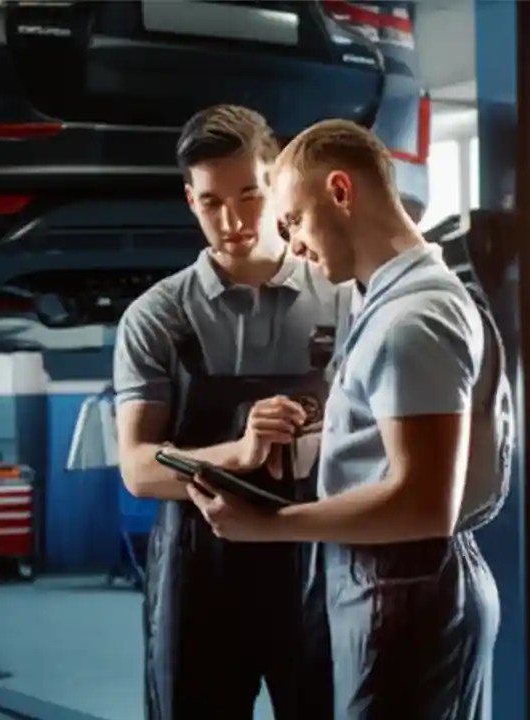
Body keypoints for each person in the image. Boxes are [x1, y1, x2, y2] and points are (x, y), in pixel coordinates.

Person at [187, 119, 514, 720]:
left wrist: (269, 526)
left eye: (293, 221)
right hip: (389, 583)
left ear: (340, 191)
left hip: (405, 589)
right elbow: (391, 450)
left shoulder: (412, 320)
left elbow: (423, 503)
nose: (294, 246)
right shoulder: (389, 304)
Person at [113, 105, 343, 720]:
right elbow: (138, 468)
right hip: (199, 569)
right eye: (212, 202)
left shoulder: (340, 298)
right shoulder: (157, 317)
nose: (234, 220)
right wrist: (235, 457)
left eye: (250, 195)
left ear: (278, 186)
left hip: (317, 558)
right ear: (191, 200)